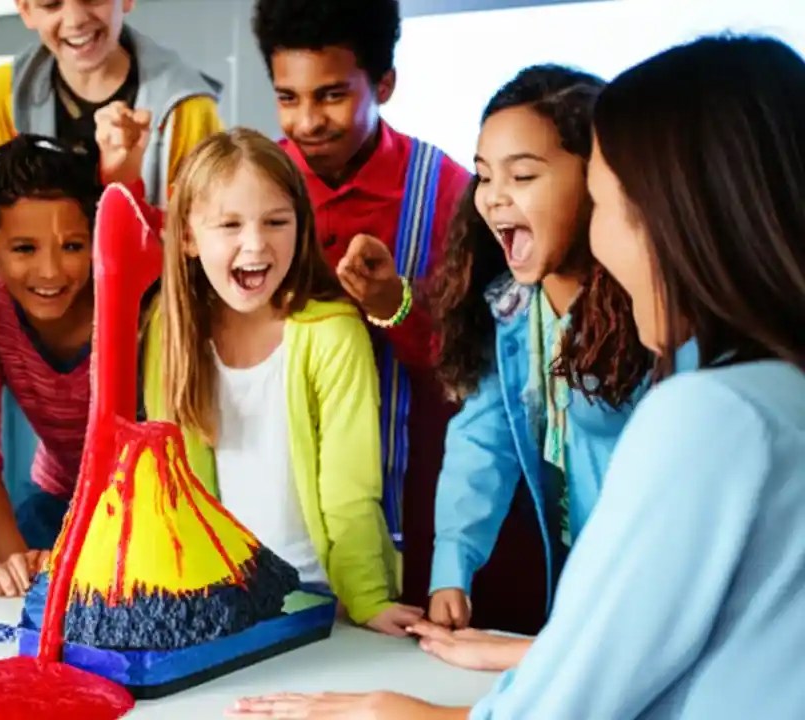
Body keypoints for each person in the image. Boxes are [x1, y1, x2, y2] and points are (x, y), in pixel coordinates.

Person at [228, 33, 805, 719]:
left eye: (610, 201)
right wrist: (526, 638)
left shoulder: (707, 413)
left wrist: (402, 712)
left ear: (686, 215)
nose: (602, 240)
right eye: (486, 175)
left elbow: (583, 694)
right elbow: (701, 642)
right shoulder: (775, 390)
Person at [138, 127, 421, 636]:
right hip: (222, 602)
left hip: (326, 601)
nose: (256, 244)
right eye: (229, 224)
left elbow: (350, 489)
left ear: (301, 226)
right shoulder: (170, 330)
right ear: (187, 237)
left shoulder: (332, 332)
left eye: (276, 221)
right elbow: (175, 487)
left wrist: (368, 600)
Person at [410, 65, 651, 660]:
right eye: (484, 175)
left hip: (645, 586)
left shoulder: (652, 315)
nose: (493, 196)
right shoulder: (516, 310)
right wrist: (453, 565)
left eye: (522, 174)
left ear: (598, 179)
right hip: (580, 589)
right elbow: (481, 440)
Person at [251, 0, 478, 613]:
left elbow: (475, 370)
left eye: (330, 96)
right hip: (278, 518)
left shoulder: (450, 191)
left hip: (415, 513)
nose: (306, 122)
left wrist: (394, 304)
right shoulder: (250, 186)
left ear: (383, 84)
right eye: (287, 97)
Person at [0, 0, 224, 509]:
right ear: (24, 9)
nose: (76, 18)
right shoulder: (0, 96)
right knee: (47, 502)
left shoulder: (187, 108)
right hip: (48, 350)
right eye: (52, 3)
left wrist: (122, 182)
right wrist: (50, 279)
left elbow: (201, 247)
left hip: (153, 351)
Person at [0, 135, 103, 596]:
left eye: (73, 246)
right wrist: (11, 557)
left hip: (146, 508)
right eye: (24, 249)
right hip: (57, 501)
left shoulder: (130, 294)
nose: (51, 271)